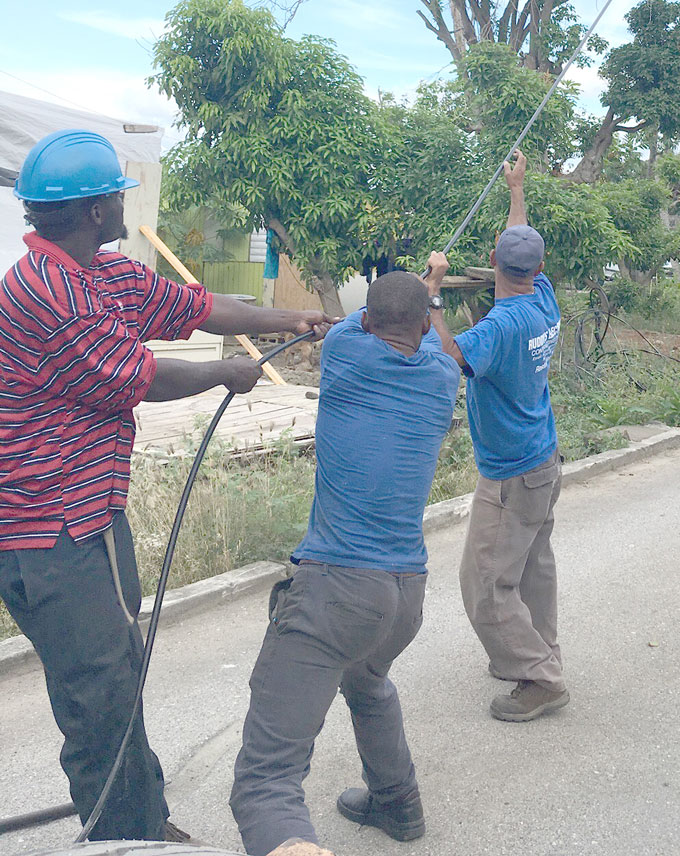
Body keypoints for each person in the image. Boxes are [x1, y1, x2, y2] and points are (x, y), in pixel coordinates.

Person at [0, 128, 330, 843]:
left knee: (118, 670)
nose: (124, 203)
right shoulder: (44, 291)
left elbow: (197, 308)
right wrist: (224, 372)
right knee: (98, 695)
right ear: (95, 210)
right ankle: (124, 835)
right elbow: (139, 378)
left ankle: (139, 818)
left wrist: (295, 319)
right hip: (46, 533)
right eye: (117, 194)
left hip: (88, 516)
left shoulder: (103, 272)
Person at [229, 270, 460, 852]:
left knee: (266, 780)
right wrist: (431, 289)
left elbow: (376, 326)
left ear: (364, 320)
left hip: (337, 586)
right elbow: (425, 331)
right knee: (367, 678)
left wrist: (423, 287)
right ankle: (397, 802)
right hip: (405, 592)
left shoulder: (346, 351)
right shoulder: (441, 373)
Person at [424, 150, 566, 724]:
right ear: (536, 266)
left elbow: (452, 355)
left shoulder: (500, 327)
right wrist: (516, 190)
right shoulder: (544, 298)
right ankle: (537, 651)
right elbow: (519, 240)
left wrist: (433, 289)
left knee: (483, 583)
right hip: (544, 460)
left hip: (510, 473)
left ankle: (540, 677)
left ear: (491, 263)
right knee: (533, 568)